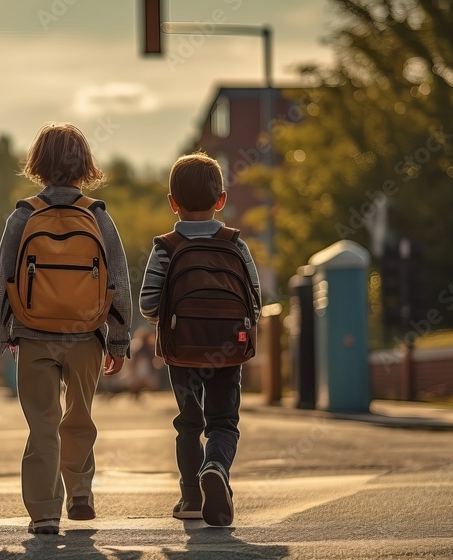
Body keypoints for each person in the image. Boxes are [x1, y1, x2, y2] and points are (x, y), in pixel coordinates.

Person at [0, 122, 132, 535]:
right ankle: (80, 492)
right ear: (86, 166)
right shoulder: (97, 216)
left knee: (43, 425)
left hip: (32, 336)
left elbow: (1, 279)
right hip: (87, 337)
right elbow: (118, 279)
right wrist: (119, 339)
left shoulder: (23, 215)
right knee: (79, 417)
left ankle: (45, 512)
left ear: (38, 165)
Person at [139, 152, 261, 527]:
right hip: (227, 351)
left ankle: (191, 498)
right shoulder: (235, 244)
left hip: (183, 352)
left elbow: (147, 304)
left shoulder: (165, 246)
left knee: (189, 423)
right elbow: (254, 302)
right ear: (220, 199)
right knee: (223, 422)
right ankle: (217, 467)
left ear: (173, 203)